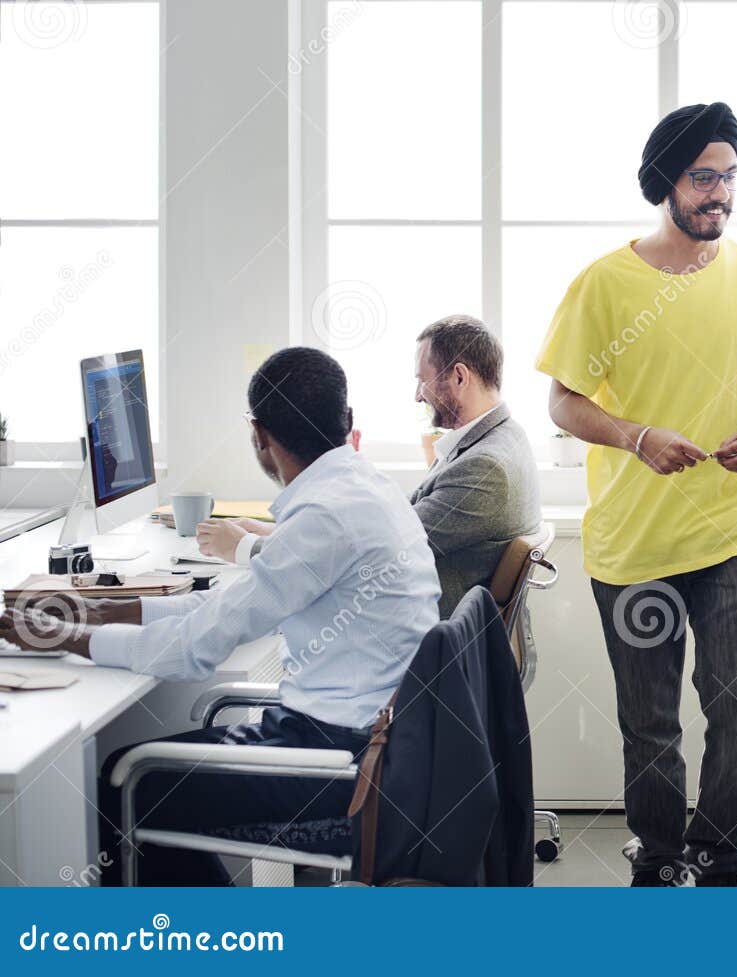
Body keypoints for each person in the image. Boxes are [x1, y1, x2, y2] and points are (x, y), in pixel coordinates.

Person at [0, 347, 441, 885]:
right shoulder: (364, 490)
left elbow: (194, 648)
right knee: (134, 769)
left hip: (341, 762)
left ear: (259, 435)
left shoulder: (324, 515)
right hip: (372, 744)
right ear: (347, 421)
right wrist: (100, 609)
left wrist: (67, 638)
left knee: (125, 780)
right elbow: (229, 607)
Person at [536, 102, 737, 886]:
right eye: (702, 177)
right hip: (635, 541)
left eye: (730, 175)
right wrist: (635, 437)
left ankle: (721, 859)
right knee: (650, 723)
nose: (719, 192)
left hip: (734, 527)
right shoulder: (603, 284)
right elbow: (561, 401)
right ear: (665, 182)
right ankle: (659, 861)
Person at [200, 316, 543, 618]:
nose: (418, 395)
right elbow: (391, 525)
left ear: (459, 377)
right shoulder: (500, 439)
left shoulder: (484, 468)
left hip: (419, 639)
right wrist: (274, 533)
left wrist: (246, 548)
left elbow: (372, 551)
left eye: (422, 380)